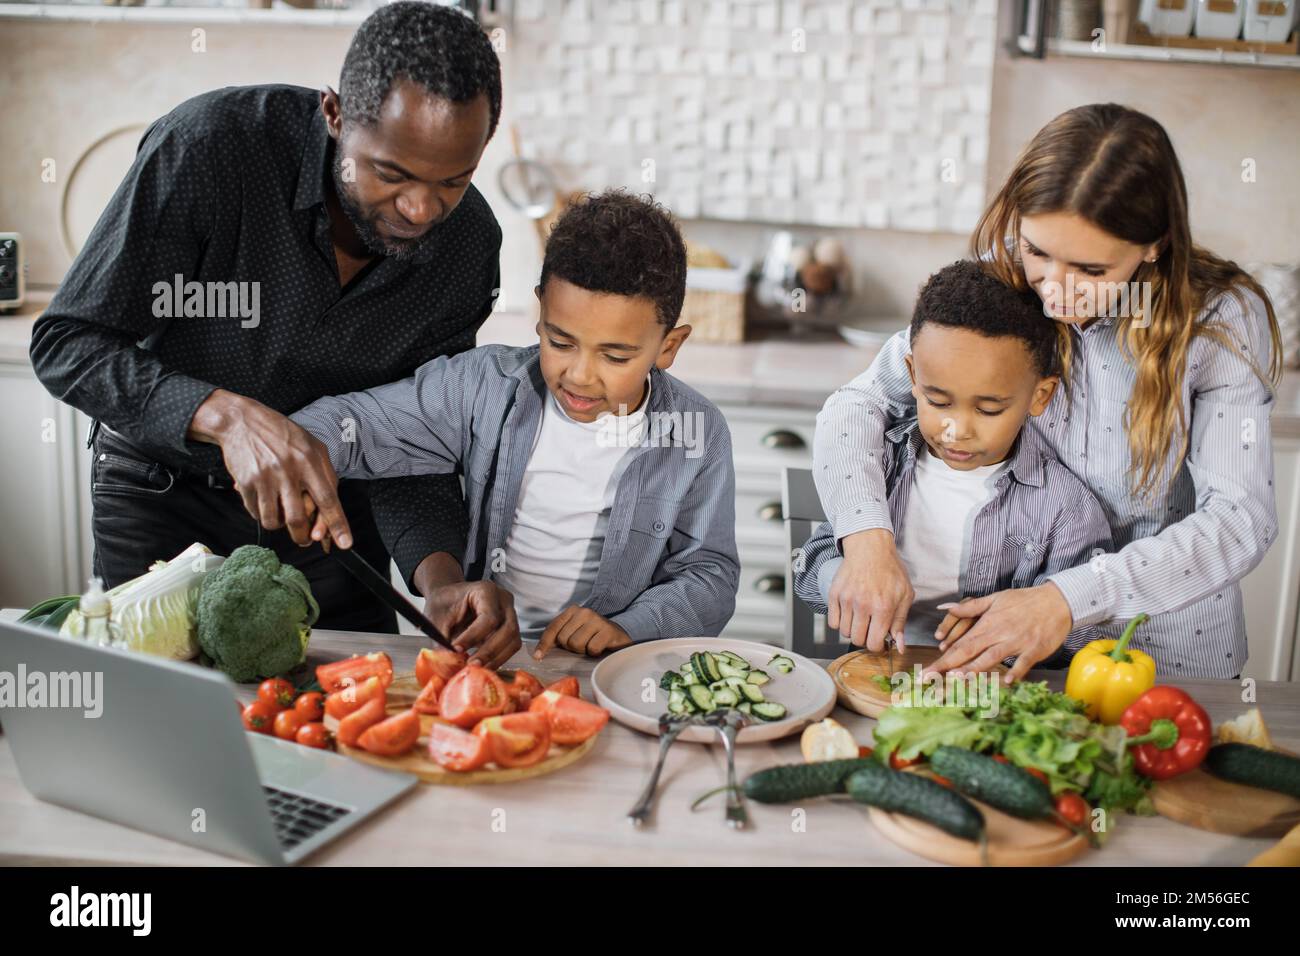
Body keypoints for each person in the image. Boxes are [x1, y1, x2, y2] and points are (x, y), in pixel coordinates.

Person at [30, 3, 517, 656]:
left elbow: (413, 437)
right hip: (163, 504)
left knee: (346, 744)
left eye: (453, 181)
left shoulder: (467, 248)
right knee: (170, 740)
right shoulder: (210, 149)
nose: (419, 209)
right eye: (391, 174)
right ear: (336, 114)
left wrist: (443, 580)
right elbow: (68, 343)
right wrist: (227, 417)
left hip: (328, 530)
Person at [815, 103, 1282, 681]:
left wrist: (1066, 598)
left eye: (1090, 268)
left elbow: (1241, 519)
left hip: (1162, 657)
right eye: (1038, 251)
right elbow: (858, 405)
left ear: (1155, 244)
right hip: (1011, 659)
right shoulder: (1002, 280)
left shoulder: (1216, 321)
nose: (1054, 291)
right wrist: (865, 541)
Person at [291, 191, 740, 665]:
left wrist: (627, 627)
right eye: (560, 341)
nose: (581, 375)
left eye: (615, 356)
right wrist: (302, 455)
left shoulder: (699, 433)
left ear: (668, 347)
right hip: (482, 656)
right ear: (539, 311)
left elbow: (708, 575)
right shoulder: (482, 385)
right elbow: (351, 423)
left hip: (610, 670)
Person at [795, 260, 1111, 660]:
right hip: (879, 680)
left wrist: (1001, 630)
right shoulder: (883, 464)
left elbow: (1090, 633)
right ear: (912, 376)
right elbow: (807, 567)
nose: (956, 430)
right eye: (938, 401)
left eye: (989, 410)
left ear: (1039, 396)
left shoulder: (1066, 508)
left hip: (994, 701)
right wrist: (849, 579)